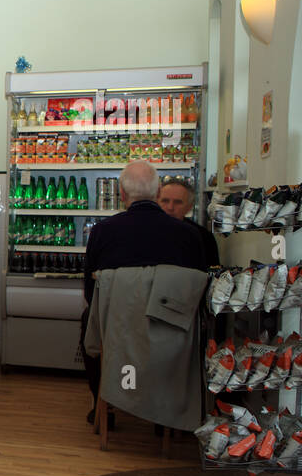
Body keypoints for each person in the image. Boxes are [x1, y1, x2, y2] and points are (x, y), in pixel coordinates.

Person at [80, 161, 207, 422]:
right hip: (170, 330)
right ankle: (169, 411)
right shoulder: (190, 235)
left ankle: (104, 405)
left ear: (123, 195)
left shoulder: (103, 231)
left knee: (87, 321)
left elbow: (90, 291)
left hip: (117, 327)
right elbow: (198, 292)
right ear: (158, 191)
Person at [157, 176, 220, 267]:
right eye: (165, 201)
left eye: (178, 202)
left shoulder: (203, 237)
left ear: (189, 207)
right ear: (156, 202)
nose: (170, 207)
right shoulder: (144, 232)